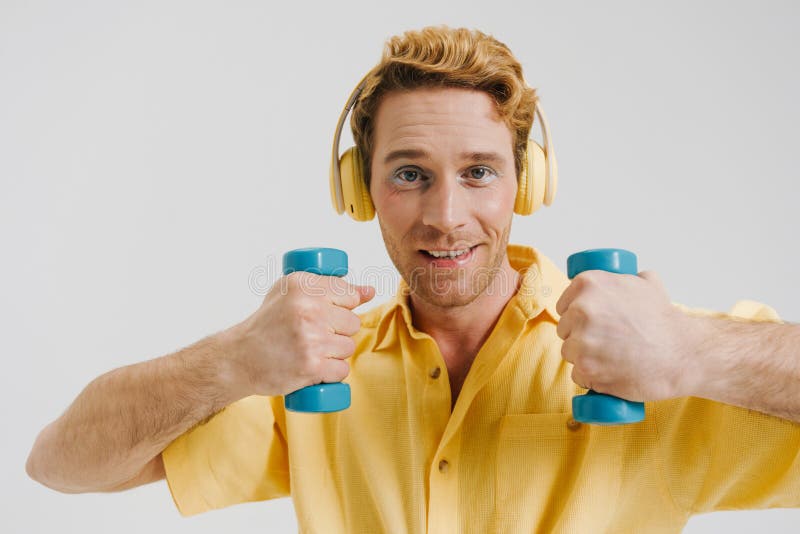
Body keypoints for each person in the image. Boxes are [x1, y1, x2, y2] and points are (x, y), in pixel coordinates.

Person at [27, 26, 800, 533]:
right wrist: (234, 360)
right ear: (359, 192)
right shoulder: (313, 371)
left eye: (478, 172)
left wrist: (698, 351)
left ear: (526, 185)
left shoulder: (647, 363)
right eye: (409, 174)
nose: (446, 216)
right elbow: (60, 463)